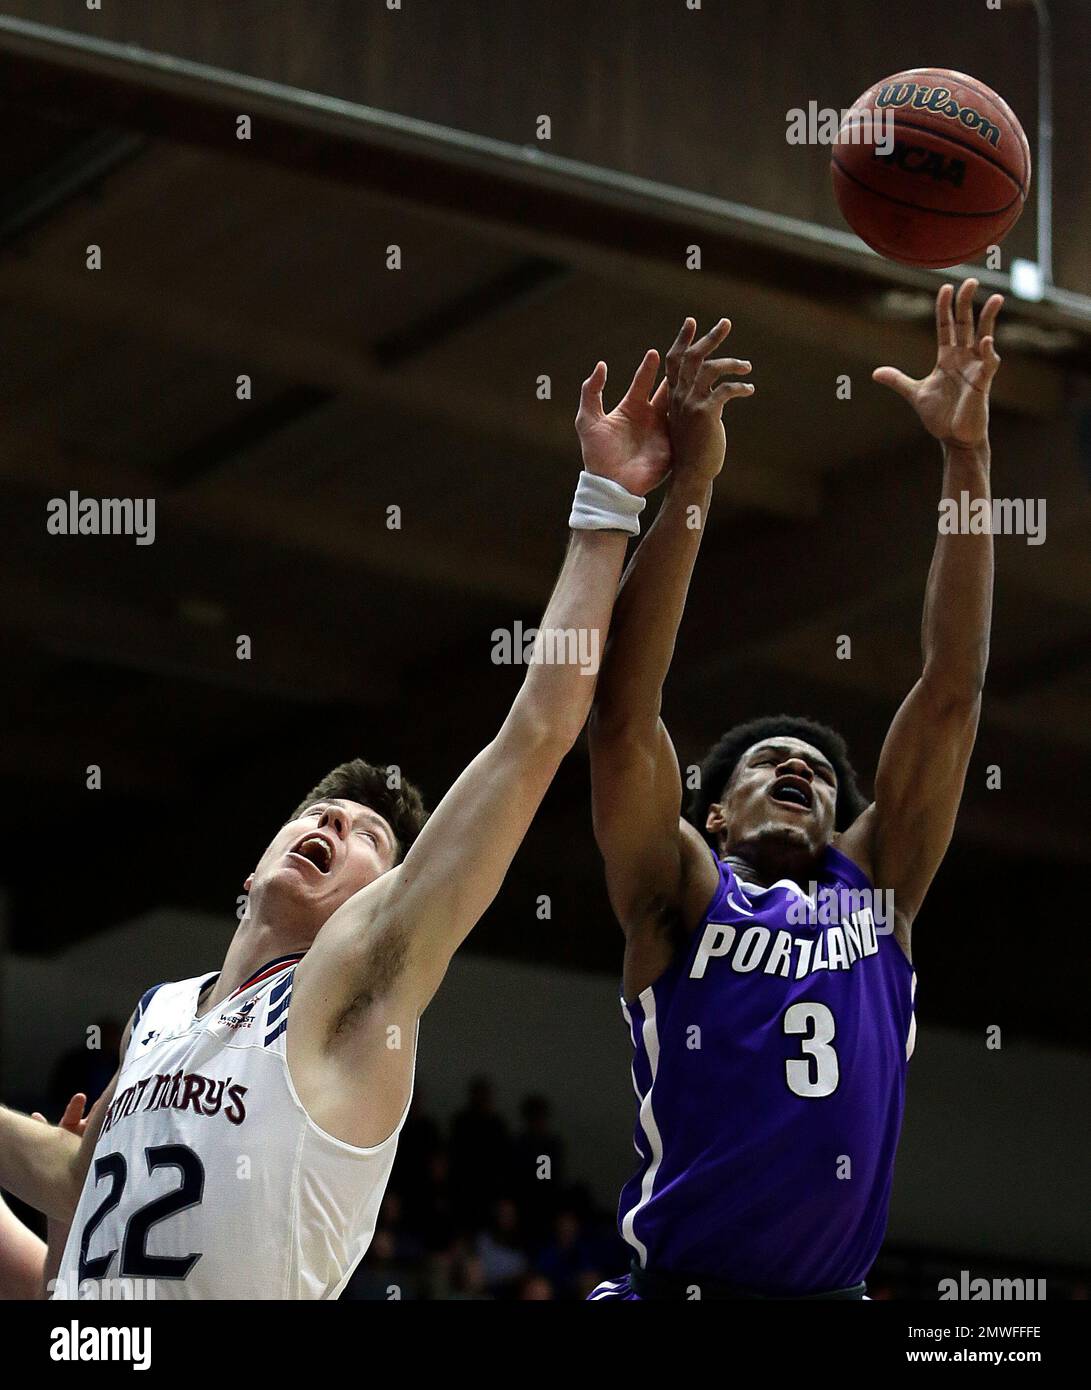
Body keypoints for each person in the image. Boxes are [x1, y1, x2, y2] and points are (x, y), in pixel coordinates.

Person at [0, 343, 675, 1299]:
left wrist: (605, 504)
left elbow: (534, 738)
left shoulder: (348, 989)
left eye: (368, 837)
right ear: (250, 872)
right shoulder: (156, 1014)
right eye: (320, 813)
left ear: (388, 898)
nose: (333, 826)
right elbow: (77, 1183)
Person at [587, 283, 1001, 1299]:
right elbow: (621, 722)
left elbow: (949, 690)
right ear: (712, 812)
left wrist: (964, 455)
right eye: (767, 762)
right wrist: (689, 481)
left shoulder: (877, 890)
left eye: (815, 772)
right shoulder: (679, 890)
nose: (796, 771)